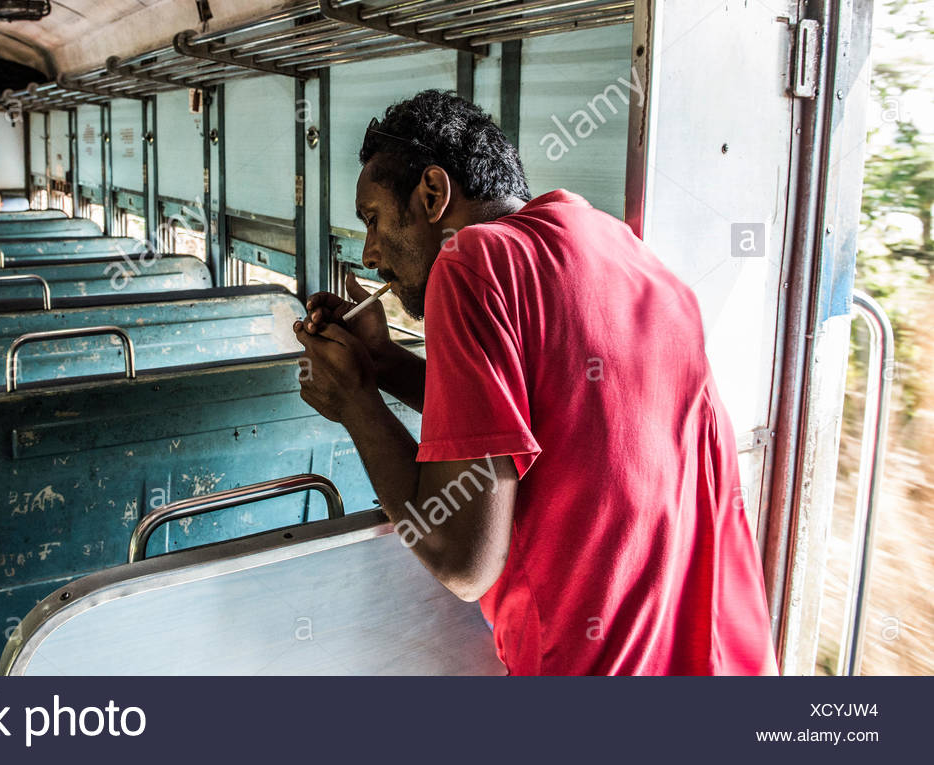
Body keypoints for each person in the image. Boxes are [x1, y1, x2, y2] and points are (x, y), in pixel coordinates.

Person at [294, 89, 777, 676]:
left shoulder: (469, 262)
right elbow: (536, 415)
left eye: (372, 219)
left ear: (432, 194)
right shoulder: (622, 251)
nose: (369, 253)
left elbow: (465, 561)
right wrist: (385, 363)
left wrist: (356, 402)